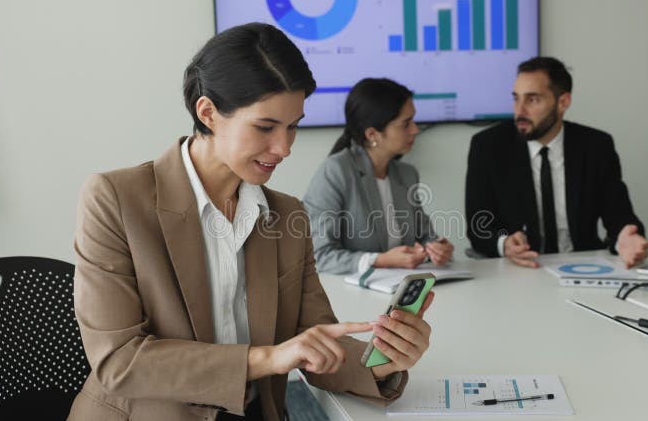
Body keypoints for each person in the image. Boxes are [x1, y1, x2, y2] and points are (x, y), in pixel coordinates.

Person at [68, 24, 433, 421]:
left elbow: (316, 343)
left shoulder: (288, 215)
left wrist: (384, 360)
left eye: (292, 126)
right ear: (208, 113)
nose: (284, 148)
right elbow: (119, 361)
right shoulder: (115, 199)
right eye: (265, 127)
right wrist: (267, 358)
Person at [465, 57, 648, 268]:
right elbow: (478, 228)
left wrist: (625, 238)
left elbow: (620, 216)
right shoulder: (489, 147)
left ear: (563, 102)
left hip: (582, 266)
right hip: (519, 269)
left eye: (532, 100)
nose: (519, 111)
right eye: (516, 99)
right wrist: (504, 244)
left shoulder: (596, 146)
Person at [303, 78, 454, 275]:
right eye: (406, 124)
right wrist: (379, 260)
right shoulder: (335, 171)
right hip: (350, 289)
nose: (415, 130)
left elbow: (425, 236)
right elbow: (320, 255)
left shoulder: (407, 174)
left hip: (402, 285)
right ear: (373, 134)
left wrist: (438, 248)